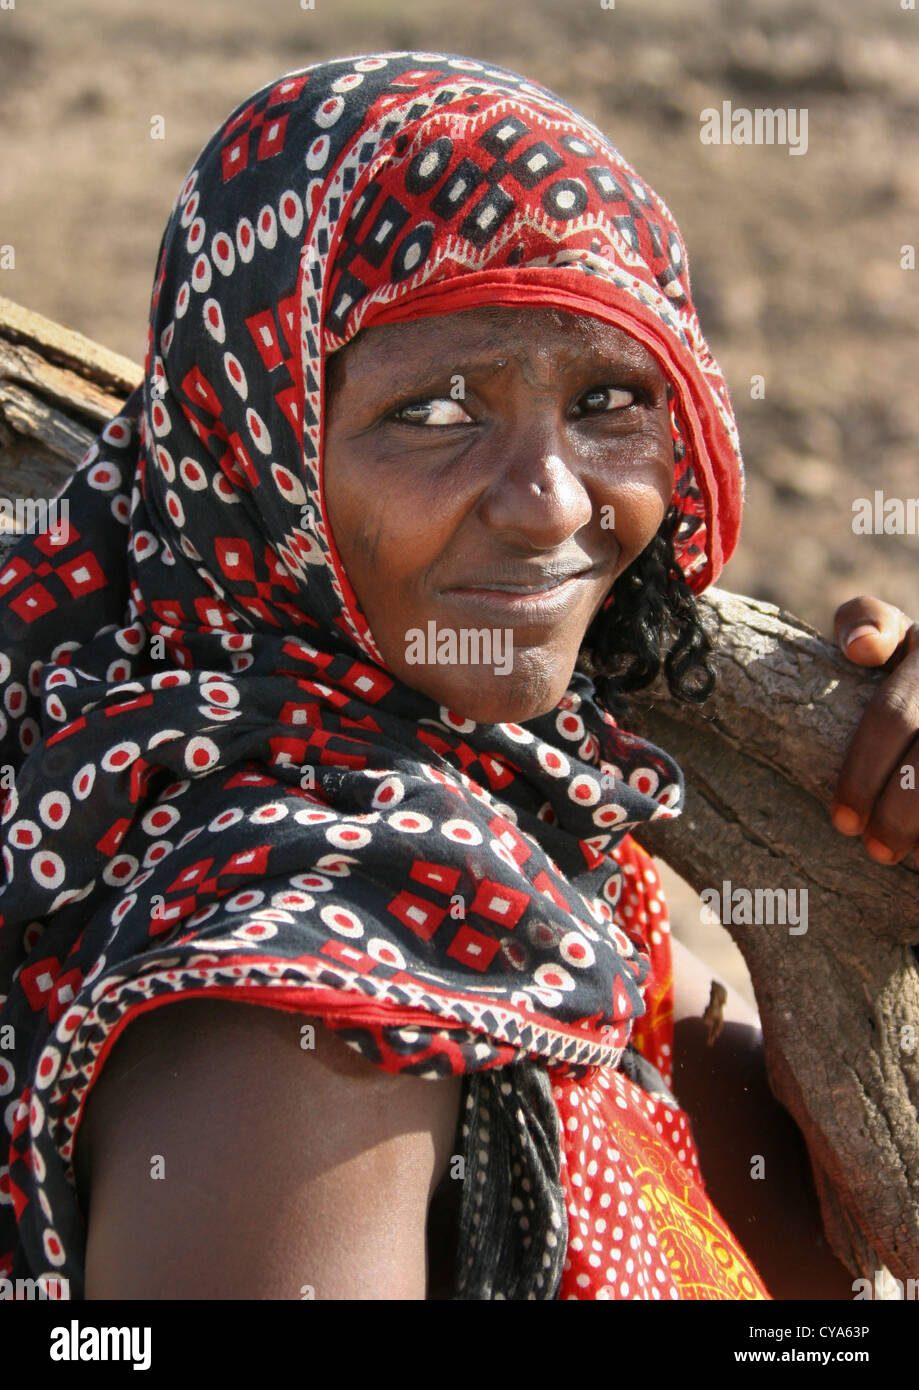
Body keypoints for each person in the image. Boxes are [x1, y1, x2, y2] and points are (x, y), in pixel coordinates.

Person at [0, 51, 914, 1302]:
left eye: (607, 396)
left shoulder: (486, 817)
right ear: (258, 445)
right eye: (433, 411)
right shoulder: (296, 1025)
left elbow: (784, 1224)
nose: (551, 503)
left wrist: (860, 916)